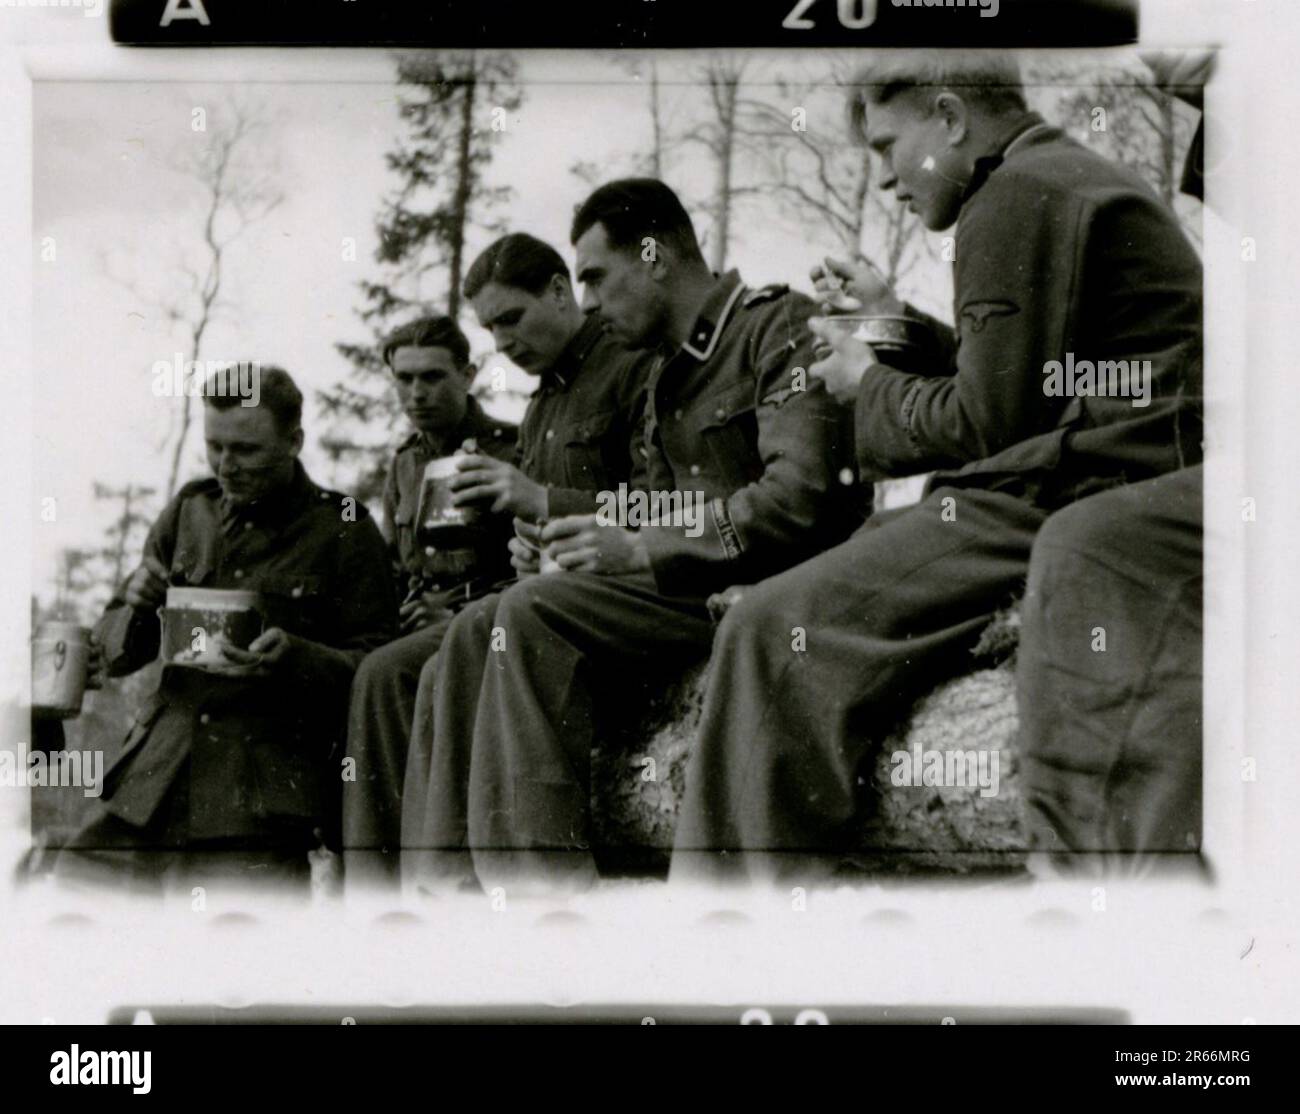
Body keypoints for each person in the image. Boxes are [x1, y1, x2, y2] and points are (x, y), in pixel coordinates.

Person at [669, 52, 1203, 885]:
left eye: (887, 147)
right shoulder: (1062, 174)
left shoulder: (1013, 196)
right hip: (1113, 470)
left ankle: (727, 946)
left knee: (771, 631)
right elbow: (1032, 381)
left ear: (951, 118)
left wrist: (865, 385)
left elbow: (987, 421)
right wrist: (896, 324)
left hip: (1081, 486)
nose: (886, 181)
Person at [403, 178, 865, 895]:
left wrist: (645, 547)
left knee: (525, 616)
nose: (585, 300)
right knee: (476, 625)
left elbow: (798, 500)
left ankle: (540, 901)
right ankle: (446, 895)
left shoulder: (777, 330)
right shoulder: (665, 374)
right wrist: (579, 532)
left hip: (773, 587)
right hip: (690, 582)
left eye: (593, 276)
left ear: (654, 257)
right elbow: (653, 499)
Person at [55, 366, 396, 895]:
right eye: (214, 448)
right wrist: (138, 607)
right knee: (76, 905)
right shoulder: (190, 511)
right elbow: (118, 653)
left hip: (256, 804)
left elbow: (380, 662)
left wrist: (295, 657)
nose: (226, 466)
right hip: (150, 784)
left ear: (294, 441)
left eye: (246, 450)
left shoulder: (344, 528)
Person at [389, 231, 656, 897]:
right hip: (571, 592)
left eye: (512, 318)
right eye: (490, 328)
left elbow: (673, 502)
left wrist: (544, 500)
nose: (503, 341)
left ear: (561, 292)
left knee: (499, 619)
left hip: (643, 586)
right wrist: (527, 539)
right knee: (451, 650)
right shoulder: (544, 400)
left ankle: (541, 893)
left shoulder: (630, 365)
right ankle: (443, 886)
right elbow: (545, 516)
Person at [340, 315, 518, 891]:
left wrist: (463, 610)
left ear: (468, 375)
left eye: (434, 377)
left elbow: (533, 561)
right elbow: (397, 564)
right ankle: (368, 883)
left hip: (491, 615)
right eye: (405, 379)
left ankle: (392, 883)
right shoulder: (406, 463)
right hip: (422, 622)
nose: (417, 393)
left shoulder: (510, 450)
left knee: (381, 674)